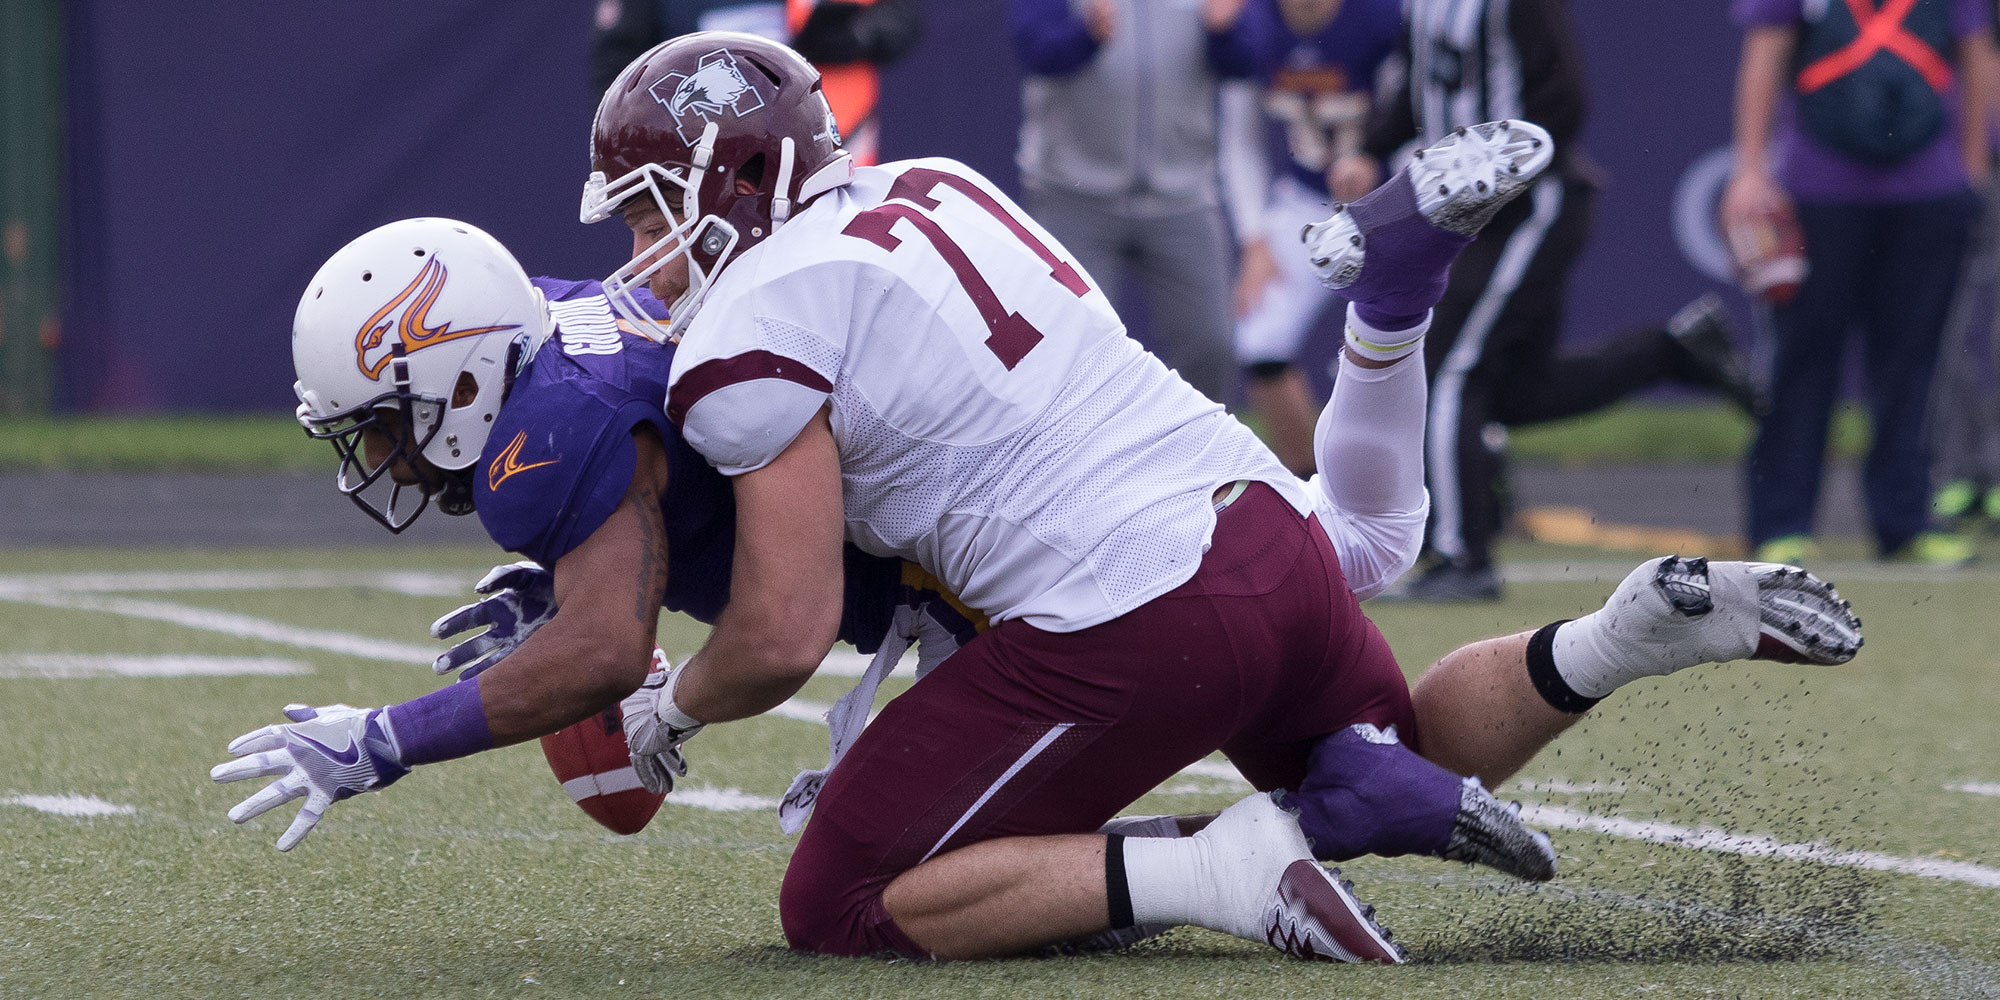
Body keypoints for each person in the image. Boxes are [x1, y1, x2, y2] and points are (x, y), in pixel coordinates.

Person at [213, 36, 1862, 965]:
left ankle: (1229, 869)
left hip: (1133, 614)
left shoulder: (734, 340)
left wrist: (666, 701)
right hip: (1249, 525)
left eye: (655, 209)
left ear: (725, 189)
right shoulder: (937, 187)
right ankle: (1609, 633)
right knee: (1386, 698)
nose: (643, 250)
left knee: (840, 898)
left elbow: (783, 629)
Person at [1329, 0, 1765, 602]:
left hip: (1530, 207)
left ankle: (1463, 556)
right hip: (1467, 213)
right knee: (1510, 390)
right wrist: (1370, 148)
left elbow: (1565, 99)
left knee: (1451, 369)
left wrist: (1497, 176)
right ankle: (1669, 351)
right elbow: (1424, 84)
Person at [1724, 0, 1994, 567]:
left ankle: (1906, 521)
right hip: (1816, 191)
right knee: (1801, 361)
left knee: (1912, 365)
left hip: (1927, 191)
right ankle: (1781, 523)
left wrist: (1971, 165)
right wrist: (1751, 168)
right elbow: (1764, 55)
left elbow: (1977, 55)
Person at [1009, 0, 1255, 403]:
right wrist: (1085, 35)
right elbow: (1034, 49)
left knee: (1211, 345)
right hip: (1073, 194)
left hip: (1182, 194)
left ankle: (1192, 463)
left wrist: (1224, 31)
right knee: (1069, 357)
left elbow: (1246, 60)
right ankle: (1081, 465)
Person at [1220, 0, 1403, 474]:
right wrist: (1254, 239)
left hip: (1387, 201)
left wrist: (1405, 212)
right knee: (1259, 340)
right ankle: (1312, 488)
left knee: (1421, 350)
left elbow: (1414, 117)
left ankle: (1457, 476)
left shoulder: (1380, 20)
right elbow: (1239, 140)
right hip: (1306, 203)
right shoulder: (1253, 25)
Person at [591, 0, 921, 165]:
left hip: (828, 148)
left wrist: (857, 34)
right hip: (712, 158)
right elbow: (618, 74)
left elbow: (898, 18)